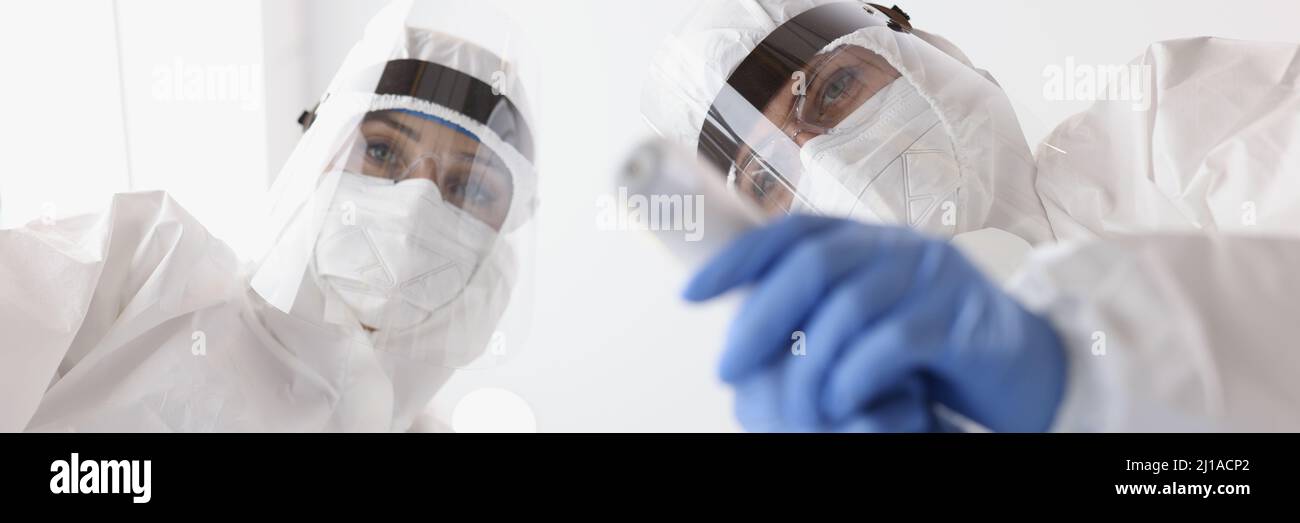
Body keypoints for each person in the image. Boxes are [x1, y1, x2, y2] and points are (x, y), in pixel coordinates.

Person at [642, 0, 1300, 431]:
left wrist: (1082, 376)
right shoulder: (873, 405)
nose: (832, 168)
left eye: (836, 89)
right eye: (768, 179)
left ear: (928, 51)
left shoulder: (1169, 121)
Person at [0, 0, 539, 432]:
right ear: (316, 154)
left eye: (468, 186)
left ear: (505, 237)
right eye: (380, 151)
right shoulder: (146, 268)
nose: (418, 203)